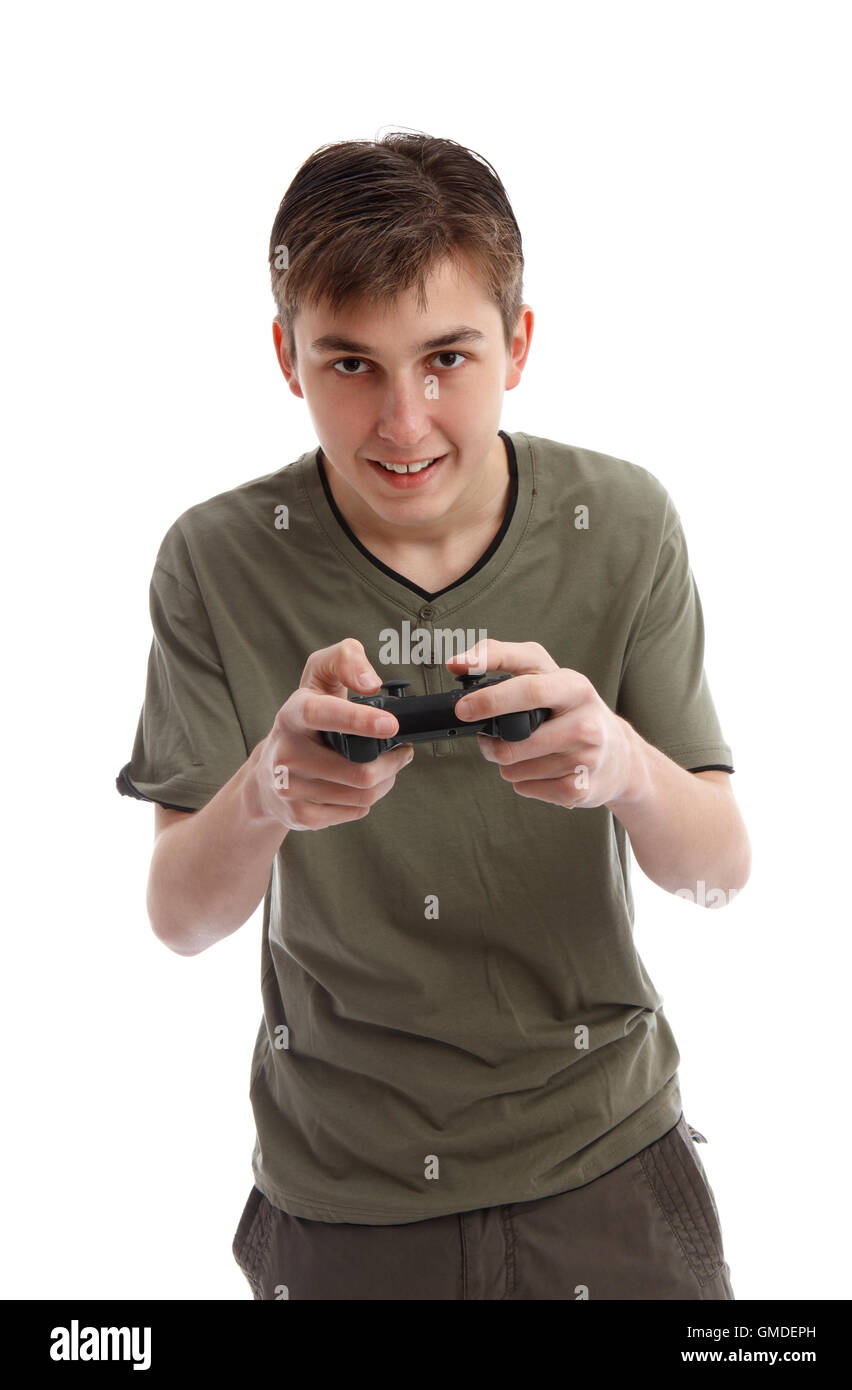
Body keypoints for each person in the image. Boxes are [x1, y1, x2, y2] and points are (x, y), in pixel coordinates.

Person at [116, 132, 751, 1300]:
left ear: (516, 342)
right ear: (284, 357)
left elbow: (719, 870)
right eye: (349, 365)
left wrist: (620, 762)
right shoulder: (212, 559)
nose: (403, 424)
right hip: (344, 1204)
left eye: (445, 358)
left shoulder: (621, 522)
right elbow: (179, 919)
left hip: (607, 1169)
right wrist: (266, 791)